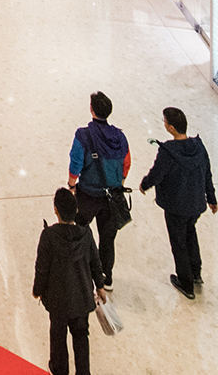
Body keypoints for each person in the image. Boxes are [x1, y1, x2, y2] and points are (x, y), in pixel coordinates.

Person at [137, 106, 217, 299]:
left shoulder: (168, 151)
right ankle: (196, 273)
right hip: (196, 204)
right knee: (190, 233)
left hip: (176, 206)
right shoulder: (198, 146)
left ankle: (186, 283)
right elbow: (207, 173)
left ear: (171, 128)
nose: (163, 123)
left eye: (164, 121)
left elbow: (157, 173)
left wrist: (145, 184)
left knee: (178, 243)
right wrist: (211, 199)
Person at [33, 187, 107, 375]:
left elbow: (42, 268)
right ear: (76, 210)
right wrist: (100, 286)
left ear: (55, 209)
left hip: (58, 300)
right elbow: (95, 262)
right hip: (82, 297)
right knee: (81, 336)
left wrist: (37, 289)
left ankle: (59, 369)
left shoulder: (49, 236)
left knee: (58, 336)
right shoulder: (86, 234)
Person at [68, 92, 132, 289]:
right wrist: (118, 182)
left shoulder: (83, 135)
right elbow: (126, 163)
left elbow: (76, 163)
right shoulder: (120, 137)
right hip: (112, 197)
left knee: (80, 229)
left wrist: (71, 186)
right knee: (107, 238)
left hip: (88, 193)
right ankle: (106, 276)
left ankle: (83, 271)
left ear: (91, 109)